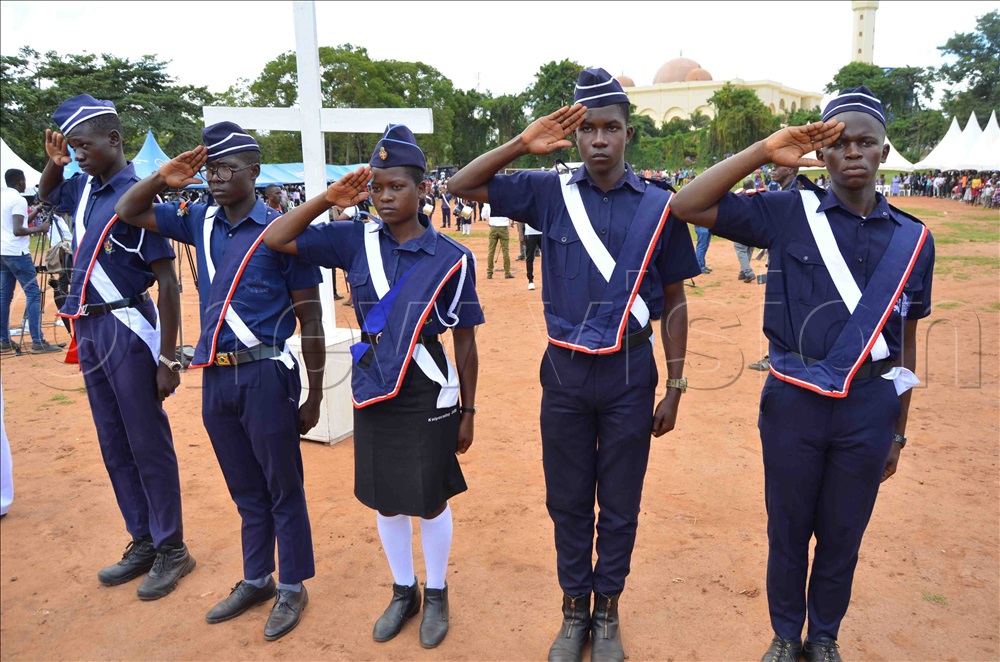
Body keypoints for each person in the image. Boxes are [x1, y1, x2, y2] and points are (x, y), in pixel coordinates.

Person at [670, 86, 934, 662]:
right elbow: (687, 205)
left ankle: (824, 637)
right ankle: (786, 634)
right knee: (788, 530)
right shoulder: (790, 213)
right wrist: (766, 150)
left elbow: (907, 340)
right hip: (793, 401)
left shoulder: (915, 239)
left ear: (885, 151)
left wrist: (898, 429)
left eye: (867, 142)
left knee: (843, 535)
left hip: (869, 407)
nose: (855, 153)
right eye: (841, 144)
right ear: (823, 155)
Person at [447, 68, 699, 662]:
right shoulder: (546, 191)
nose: (599, 139)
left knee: (620, 498)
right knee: (566, 498)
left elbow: (677, 300)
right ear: (576, 137)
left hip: (631, 372)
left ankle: (607, 610)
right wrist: (520, 143)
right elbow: (461, 185)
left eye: (611, 128)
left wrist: (677, 385)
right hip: (562, 370)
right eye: (588, 129)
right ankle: (572, 610)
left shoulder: (662, 206)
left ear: (628, 134)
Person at [263, 124, 483, 650]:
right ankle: (402, 590)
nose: (385, 197)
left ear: (422, 189)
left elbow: (466, 342)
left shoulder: (451, 257)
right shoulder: (352, 238)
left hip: (428, 387)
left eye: (397, 187)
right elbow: (276, 237)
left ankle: (436, 593)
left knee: (428, 500)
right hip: (373, 383)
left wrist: (470, 410)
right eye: (377, 187)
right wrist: (327, 199)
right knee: (386, 500)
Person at [114, 121, 325, 641]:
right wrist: (164, 177)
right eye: (210, 169)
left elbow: (313, 319)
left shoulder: (283, 229)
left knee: (283, 487)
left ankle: (293, 584)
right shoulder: (199, 223)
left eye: (227, 168)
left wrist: (316, 392)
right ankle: (256, 577)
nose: (215, 177)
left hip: (266, 374)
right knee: (245, 488)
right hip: (217, 380)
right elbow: (128, 212)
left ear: (254, 172)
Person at [38, 94, 192, 600]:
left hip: (128, 326)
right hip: (89, 328)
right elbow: (48, 194)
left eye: (84, 145)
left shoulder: (139, 193)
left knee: (147, 440)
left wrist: (169, 357)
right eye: (72, 147)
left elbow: (168, 283)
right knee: (114, 441)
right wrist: (54, 165)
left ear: (115, 140)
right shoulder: (83, 189)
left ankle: (173, 547)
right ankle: (142, 538)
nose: (77, 154)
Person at [1, 169, 63, 354]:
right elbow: (18, 231)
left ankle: (3, 340)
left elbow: (15, 225)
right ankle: (38, 341)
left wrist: (35, 212)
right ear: (20, 181)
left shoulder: (3, 197)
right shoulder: (18, 200)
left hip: (2, 252)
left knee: (4, 296)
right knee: (34, 294)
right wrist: (41, 228)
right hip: (16, 252)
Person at [748, 164, 800, 372]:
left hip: (789, 264)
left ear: (791, 170)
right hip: (780, 260)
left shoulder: (795, 194)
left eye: (779, 167)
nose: (773, 170)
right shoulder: (783, 191)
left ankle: (776, 357)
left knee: (781, 311)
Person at [483, 202, 514, 279]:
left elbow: (483, 215)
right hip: (503, 227)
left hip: (493, 227)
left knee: (491, 251)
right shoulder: (506, 201)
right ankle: (507, 272)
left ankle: (489, 272)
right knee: (505, 251)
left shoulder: (488, 202)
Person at [524, 220, 542, 290]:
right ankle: (530, 280)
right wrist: (521, 235)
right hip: (530, 233)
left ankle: (548, 280)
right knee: (530, 257)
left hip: (542, 232)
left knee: (547, 257)